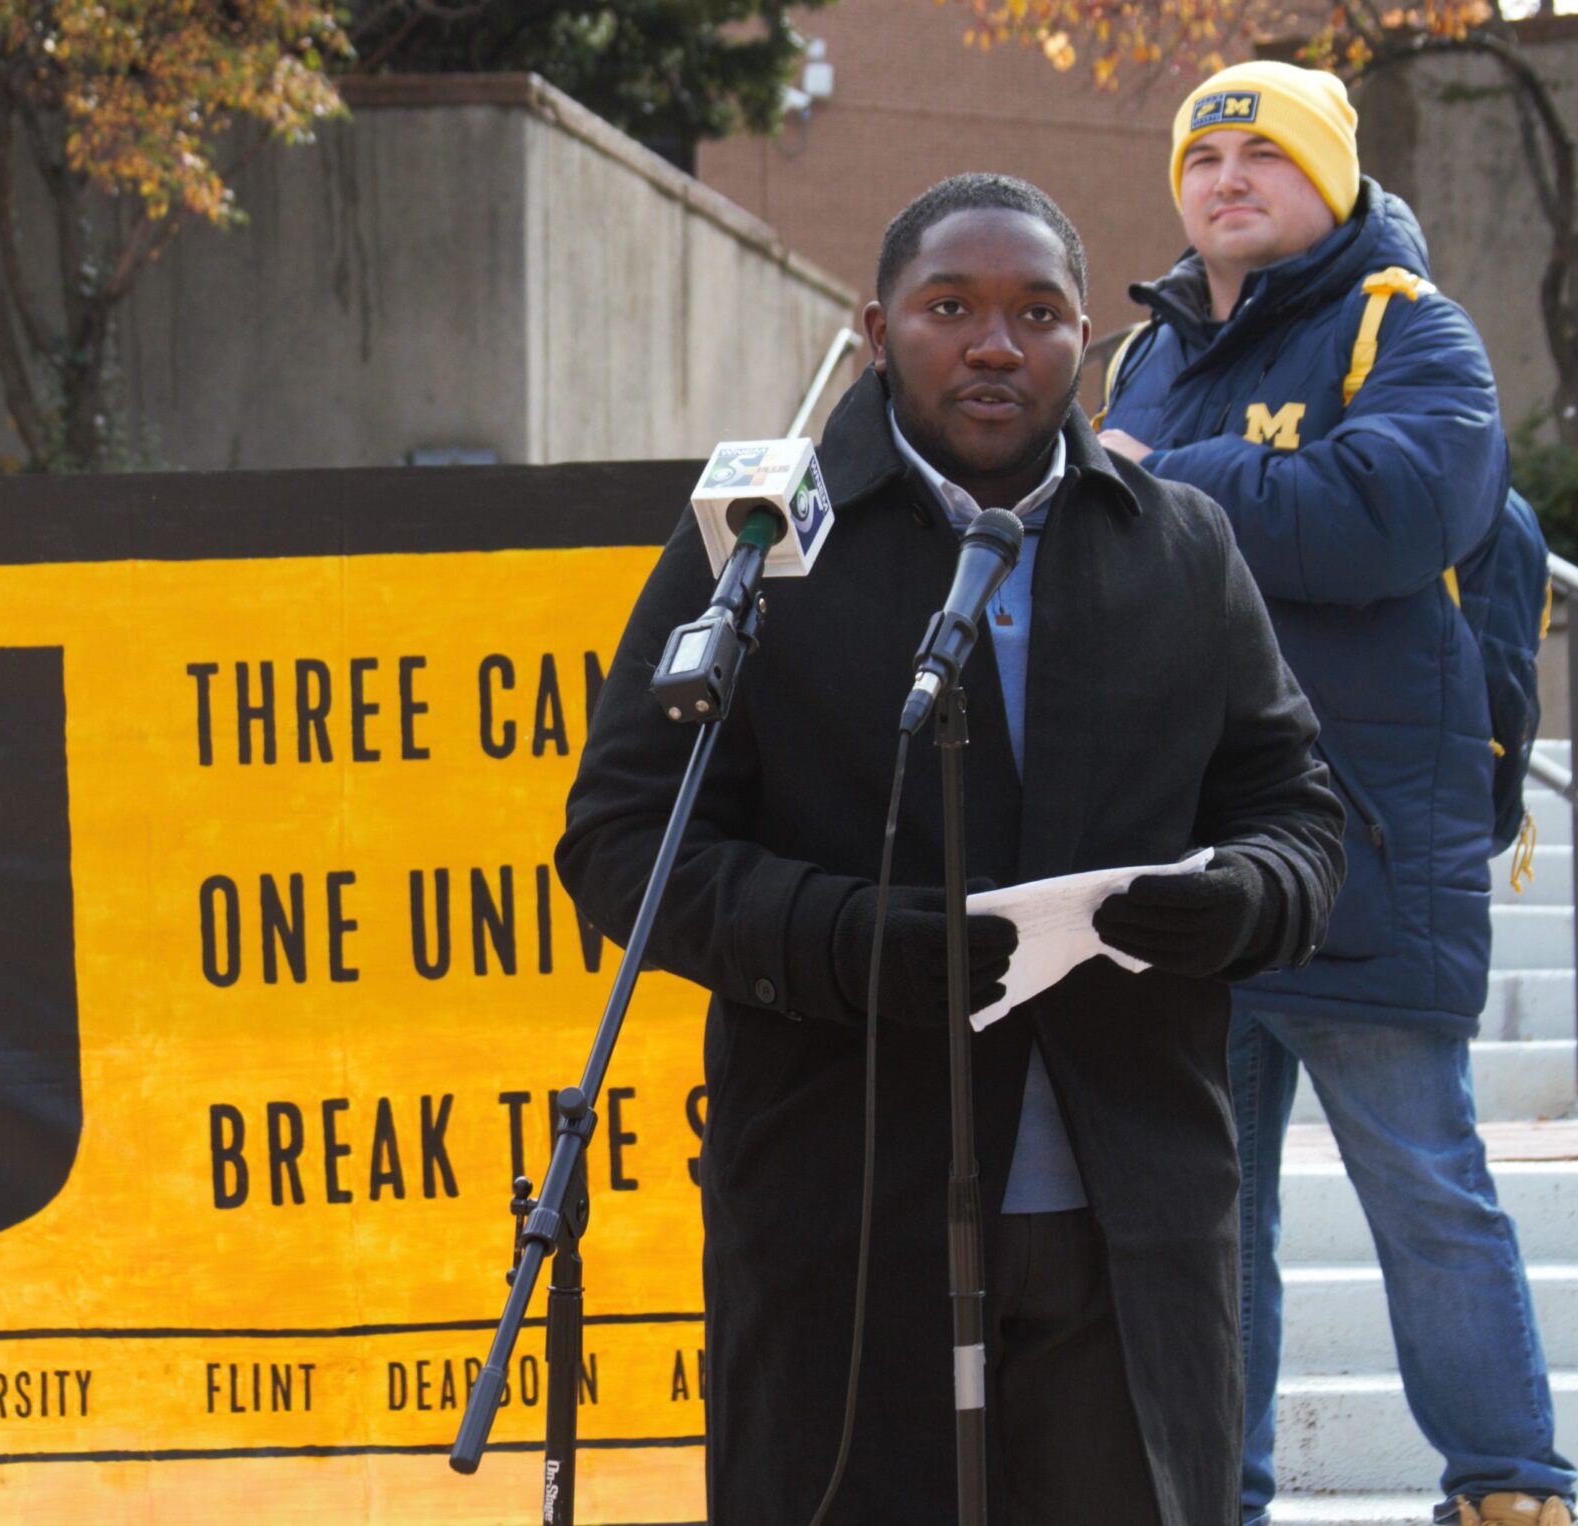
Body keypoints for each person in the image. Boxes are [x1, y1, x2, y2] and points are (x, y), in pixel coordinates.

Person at [556, 172, 1344, 1524]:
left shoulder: (1180, 547)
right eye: (950, 307)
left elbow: (1300, 808)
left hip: (1130, 1222)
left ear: (1086, 339)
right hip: (846, 1225)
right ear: (875, 331)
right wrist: (847, 942)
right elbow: (624, 840)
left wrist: (1247, 900)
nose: (995, 343)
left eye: (1039, 312)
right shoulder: (758, 547)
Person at [1097, 59, 1577, 1526]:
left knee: (1425, 1187)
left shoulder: (1411, 331)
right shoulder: (1143, 358)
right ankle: (1214, 1493)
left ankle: (1510, 1486)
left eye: (1265, 154)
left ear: (1337, 177)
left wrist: (1157, 481)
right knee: (1211, 1218)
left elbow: (1387, 515)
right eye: (1204, 157)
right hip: (1193, 857)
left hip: (1367, 844)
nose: (1226, 177)